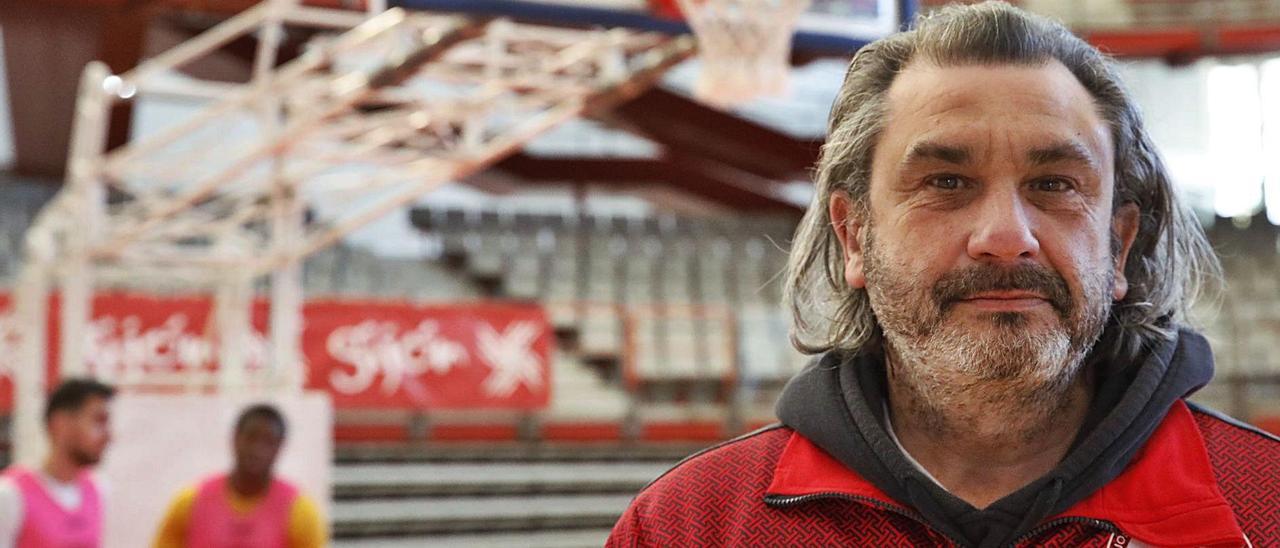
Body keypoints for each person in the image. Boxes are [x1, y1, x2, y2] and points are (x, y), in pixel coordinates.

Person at [608, 2, 1279, 547]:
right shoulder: (688, 527)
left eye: (1053, 183)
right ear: (854, 236)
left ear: (1120, 243)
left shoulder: (1265, 501)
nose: (1006, 238)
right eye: (947, 181)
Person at [151, 403, 325, 548]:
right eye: (251, 438)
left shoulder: (300, 510)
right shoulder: (190, 502)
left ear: (280, 447)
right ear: (235, 438)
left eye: (268, 441)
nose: (257, 450)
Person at [0, 378, 115, 548]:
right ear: (60, 423)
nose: (108, 435)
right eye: (98, 421)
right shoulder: (10, 495)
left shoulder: (98, 490)